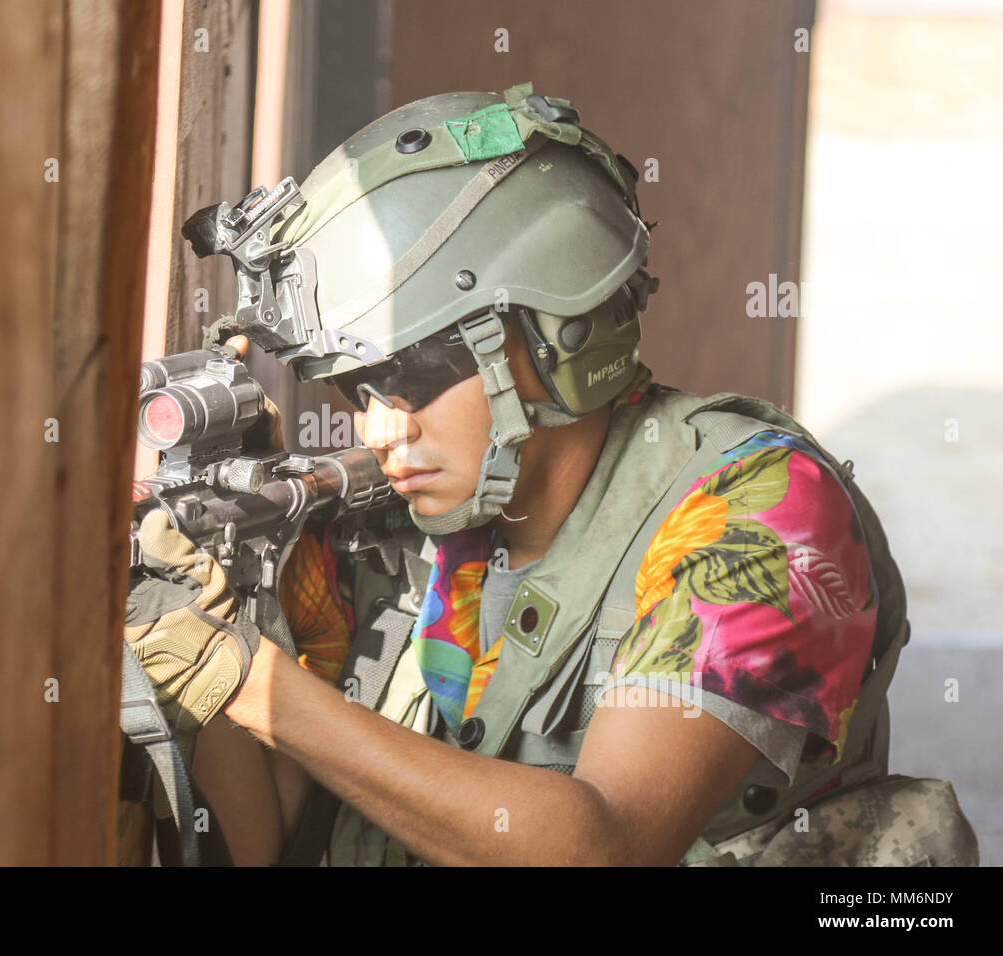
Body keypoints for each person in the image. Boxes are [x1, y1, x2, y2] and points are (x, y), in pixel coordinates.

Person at [126, 83, 978, 866]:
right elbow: (263, 834)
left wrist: (251, 681)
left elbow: (607, 842)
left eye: (415, 378)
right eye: (358, 389)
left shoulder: (757, 509)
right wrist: (223, 632)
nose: (383, 429)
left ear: (551, 335)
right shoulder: (397, 529)